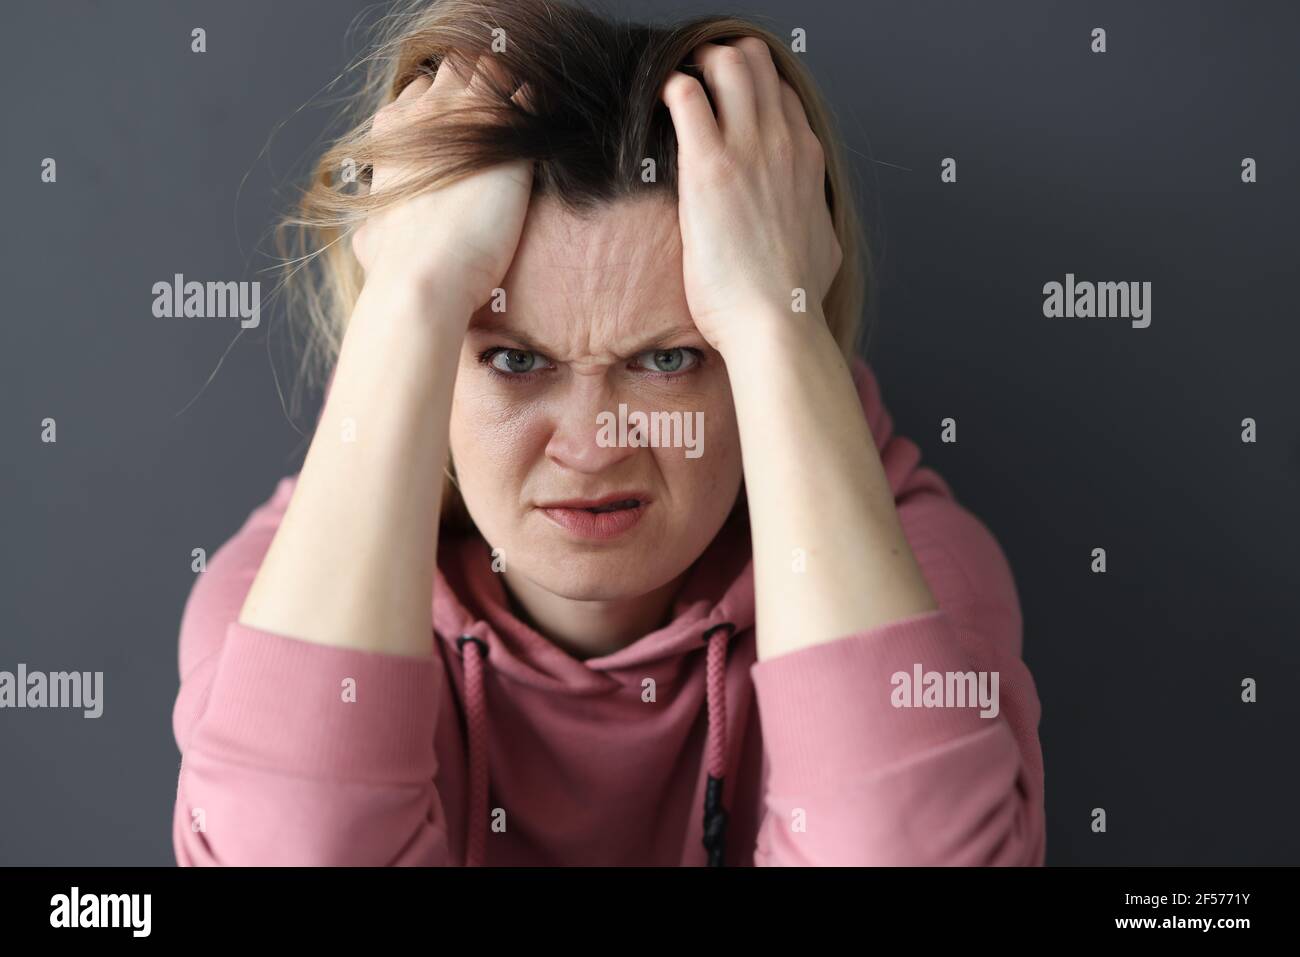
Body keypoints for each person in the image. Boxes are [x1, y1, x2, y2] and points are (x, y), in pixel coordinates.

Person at [171, 0, 1045, 866]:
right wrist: (408, 297)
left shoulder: (918, 578)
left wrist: (778, 318)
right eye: (516, 361)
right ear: (428, 363)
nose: (592, 446)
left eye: (667, 360)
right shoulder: (268, 602)